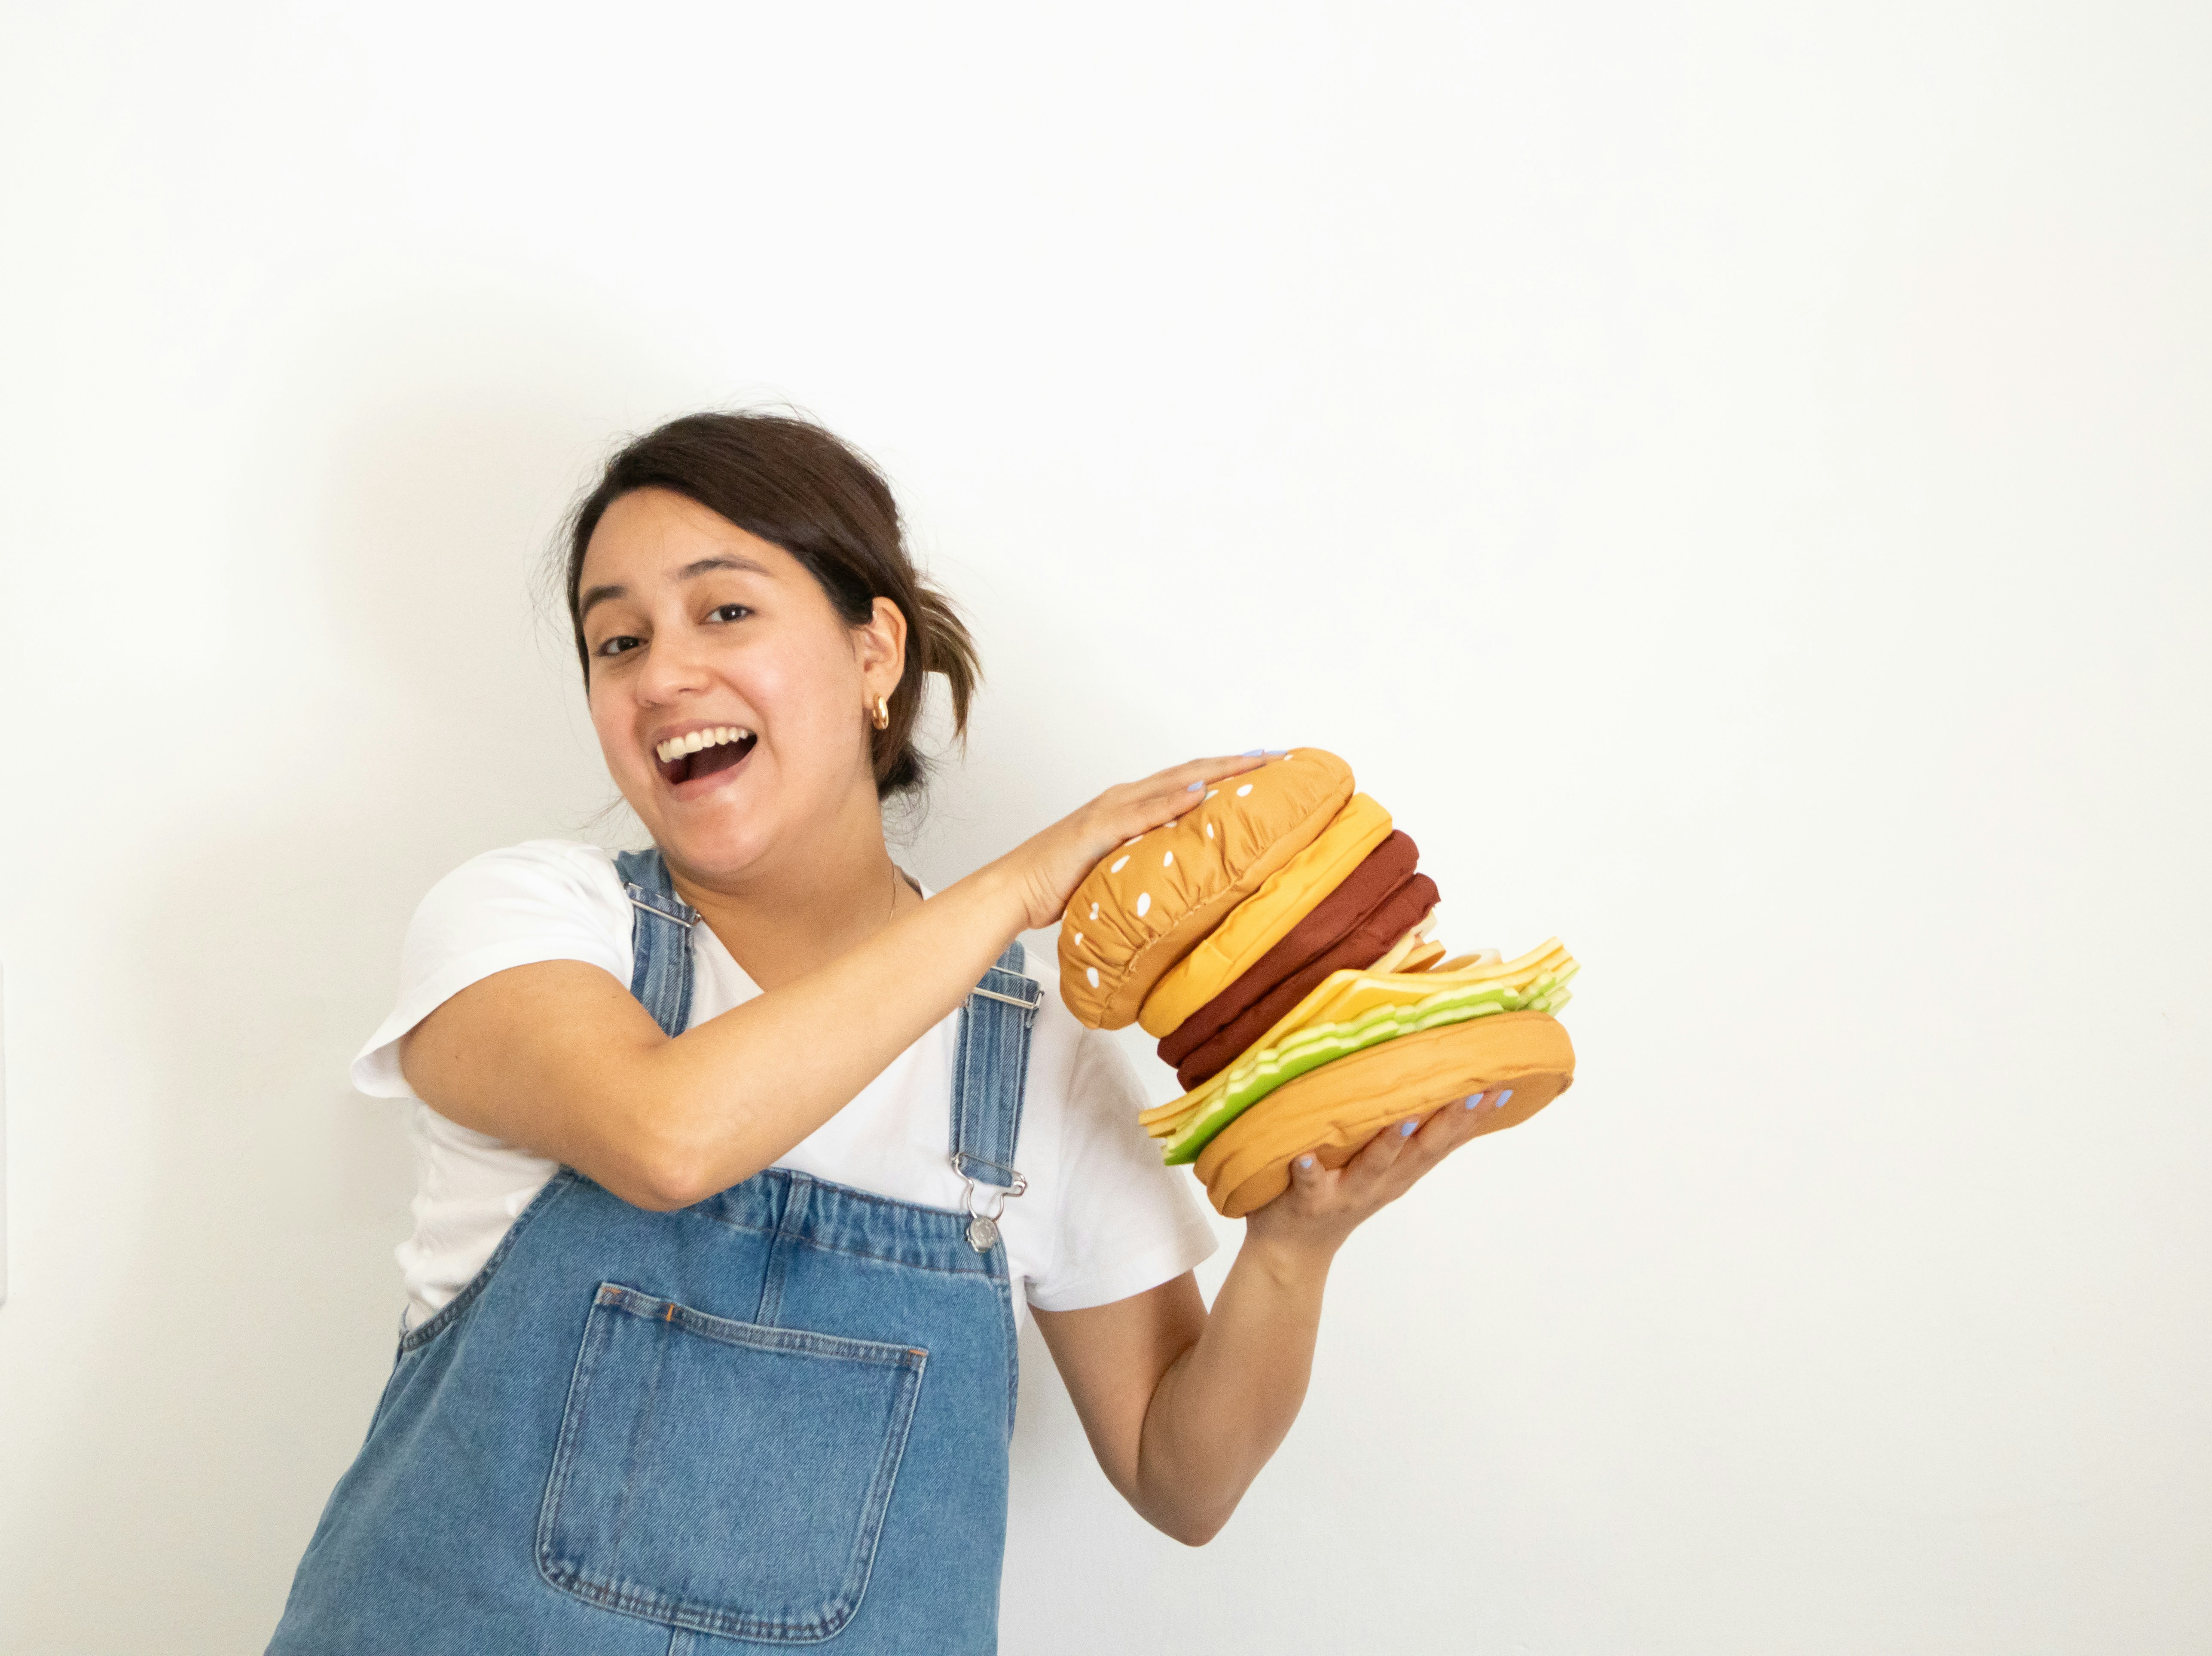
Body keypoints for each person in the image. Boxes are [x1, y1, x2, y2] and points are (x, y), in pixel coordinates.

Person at [268, 412, 1503, 1654]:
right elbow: (669, 1137)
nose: (660, 675)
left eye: (725, 613)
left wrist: (1293, 1253)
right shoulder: (532, 924)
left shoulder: (1031, 1057)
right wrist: (1019, 890)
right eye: (616, 641)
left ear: (875, 654)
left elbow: (1180, 1480)